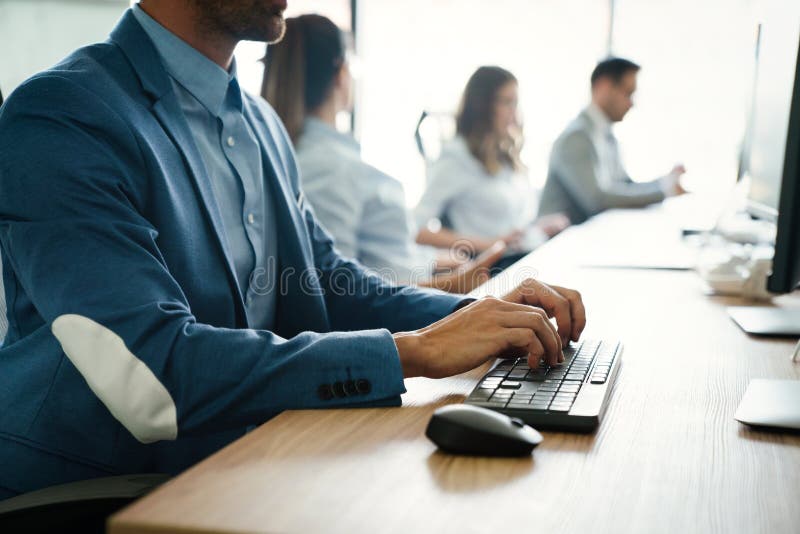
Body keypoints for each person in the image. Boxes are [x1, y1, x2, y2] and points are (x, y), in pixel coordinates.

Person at [0, 1, 586, 498]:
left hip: (252, 458)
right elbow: (153, 374)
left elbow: (327, 278)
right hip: (105, 489)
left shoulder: (259, 121)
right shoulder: (62, 116)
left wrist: (480, 319)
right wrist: (414, 351)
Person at [262, 14, 504, 293]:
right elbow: (339, 290)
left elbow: (378, 255)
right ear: (341, 73)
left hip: (417, 280)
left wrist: (434, 262)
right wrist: (451, 286)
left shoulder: (325, 155)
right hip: (407, 315)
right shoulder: (326, 166)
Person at [414, 66, 570, 259]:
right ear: (482, 107)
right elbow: (415, 229)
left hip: (525, 254)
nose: (514, 114)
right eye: (507, 103)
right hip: (495, 266)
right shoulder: (455, 159)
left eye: (516, 103)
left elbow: (510, 223)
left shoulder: (504, 156)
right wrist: (490, 245)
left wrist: (537, 228)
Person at [539, 57, 687, 224]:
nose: (632, 104)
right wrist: (665, 191)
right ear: (604, 86)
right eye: (628, 93)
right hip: (557, 242)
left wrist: (664, 183)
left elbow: (625, 186)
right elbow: (597, 200)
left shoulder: (606, 135)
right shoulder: (576, 137)